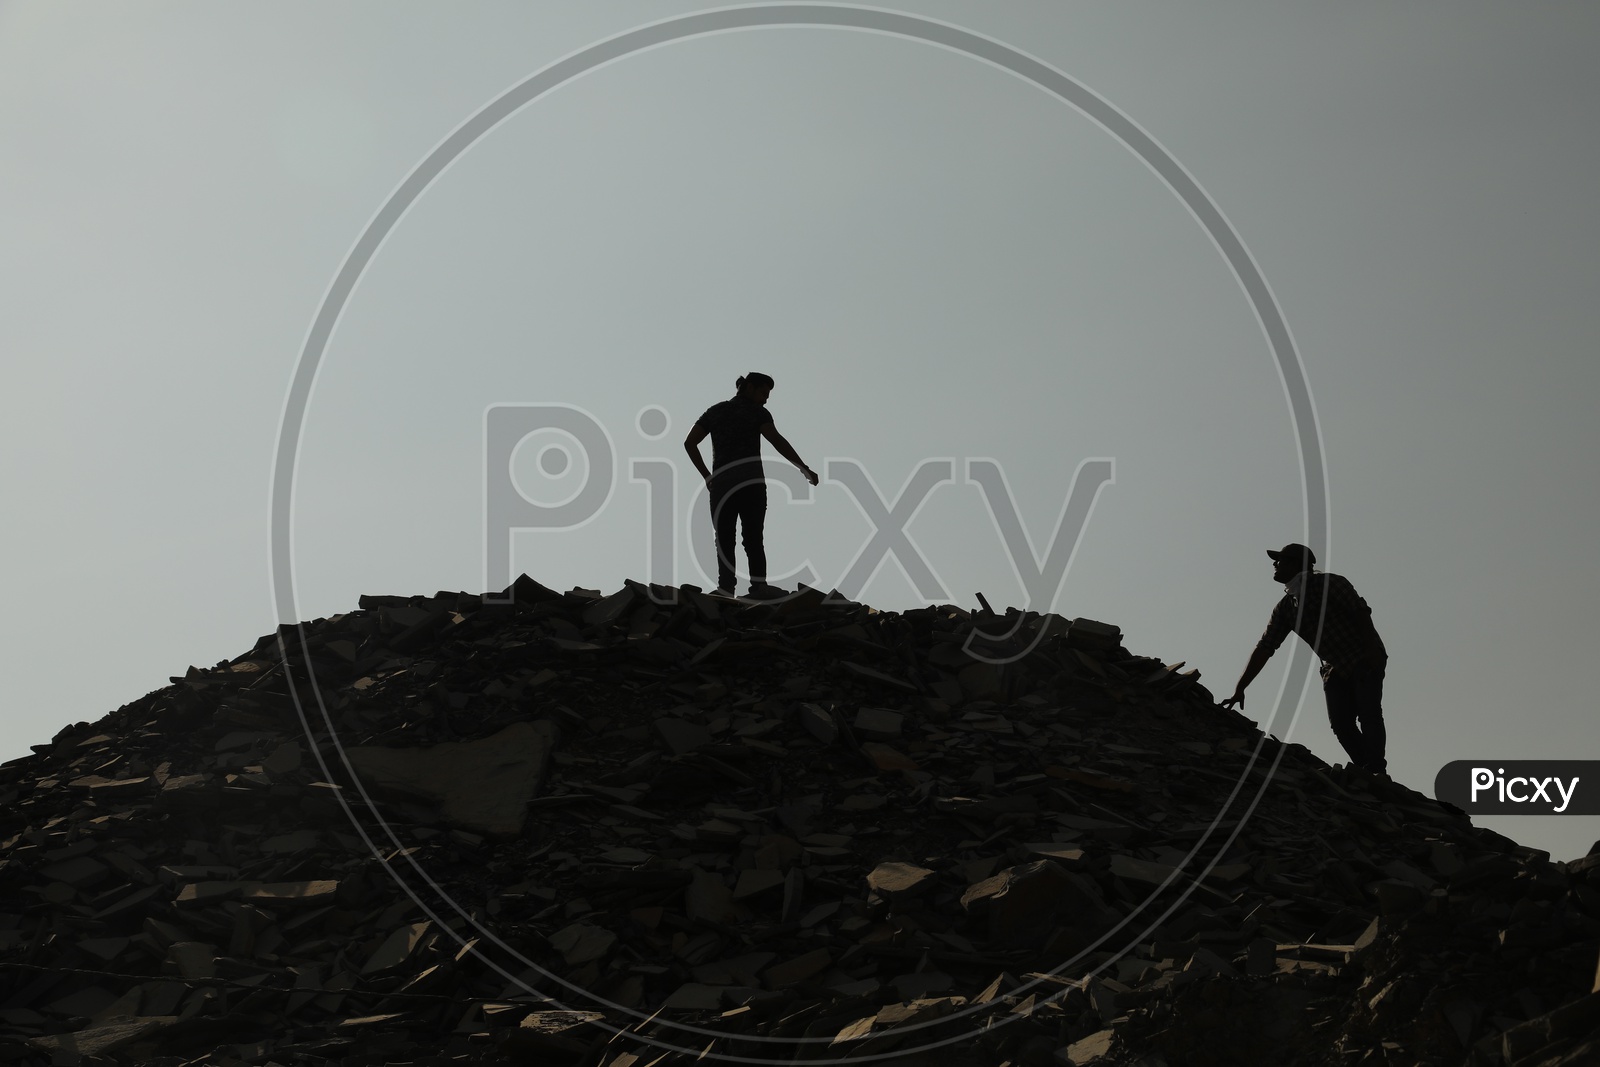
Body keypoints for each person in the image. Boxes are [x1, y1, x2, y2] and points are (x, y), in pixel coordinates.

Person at [1221, 543, 1390, 776]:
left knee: (1368, 714)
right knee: (1341, 724)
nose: (1274, 565)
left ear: (1293, 564)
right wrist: (1241, 687)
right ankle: (1366, 770)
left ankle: (1377, 771)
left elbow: (1360, 612)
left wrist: (1372, 651)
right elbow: (1265, 647)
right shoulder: (1286, 607)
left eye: (1279, 561)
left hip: (1362, 656)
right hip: (1334, 667)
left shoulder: (1331, 584)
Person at [684, 373, 818, 599]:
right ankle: (758, 588)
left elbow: (690, 442)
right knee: (753, 537)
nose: (766, 399)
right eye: (764, 393)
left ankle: (726, 588)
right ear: (750, 388)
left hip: (723, 485)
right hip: (752, 484)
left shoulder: (715, 411)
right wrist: (803, 467)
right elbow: (776, 440)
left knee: (724, 537)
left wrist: (707, 476)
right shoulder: (758, 413)